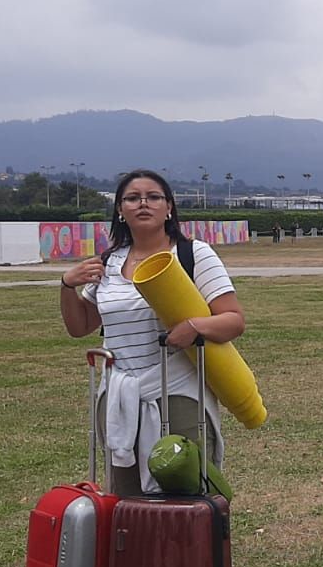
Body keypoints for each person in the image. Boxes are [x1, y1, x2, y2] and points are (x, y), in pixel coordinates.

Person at [58, 169, 246, 495]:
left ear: (169, 207)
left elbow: (233, 320)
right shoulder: (107, 263)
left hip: (178, 392)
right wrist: (66, 285)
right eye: (132, 198)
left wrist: (193, 327)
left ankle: (195, 548)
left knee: (188, 490)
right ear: (119, 210)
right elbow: (80, 327)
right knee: (125, 496)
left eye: (154, 197)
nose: (143, 203)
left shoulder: (193, 255)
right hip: (118, 396)